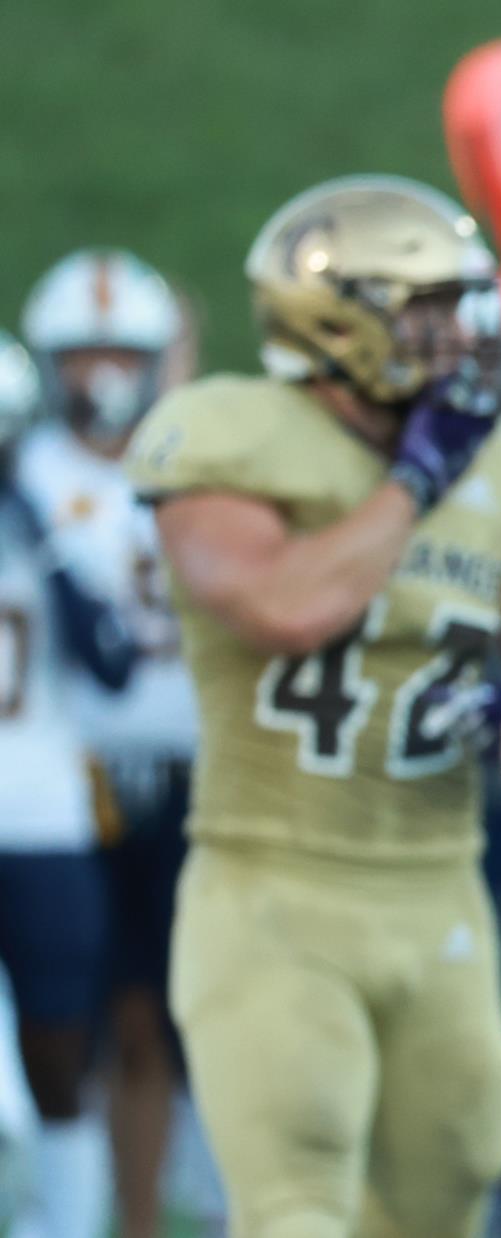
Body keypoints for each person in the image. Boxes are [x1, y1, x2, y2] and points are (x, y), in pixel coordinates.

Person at [122, 174, 501, 1237]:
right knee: (297, 1204)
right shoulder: (225, 430)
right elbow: (287, 606)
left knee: (450, 1187)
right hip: (275, 881)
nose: (456, 332)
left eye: (460, 304)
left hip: (438, 882)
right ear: (335, 311)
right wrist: (416, 479)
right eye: (427, 306)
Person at [17, 246, 195, 1238]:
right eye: (78, 355)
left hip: (191, 767)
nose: (100, 377)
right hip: (79, 775)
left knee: (178, 1019)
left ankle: (177, 1211)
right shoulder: (29, 469)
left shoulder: (201, 456)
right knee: (85, 1015)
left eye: (117, 351)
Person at [0, 323, 135, 1238]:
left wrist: (39, 530)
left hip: (41, 814)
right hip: (40, 814)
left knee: (61, 1059)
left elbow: (111, 661)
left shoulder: (30, 526)